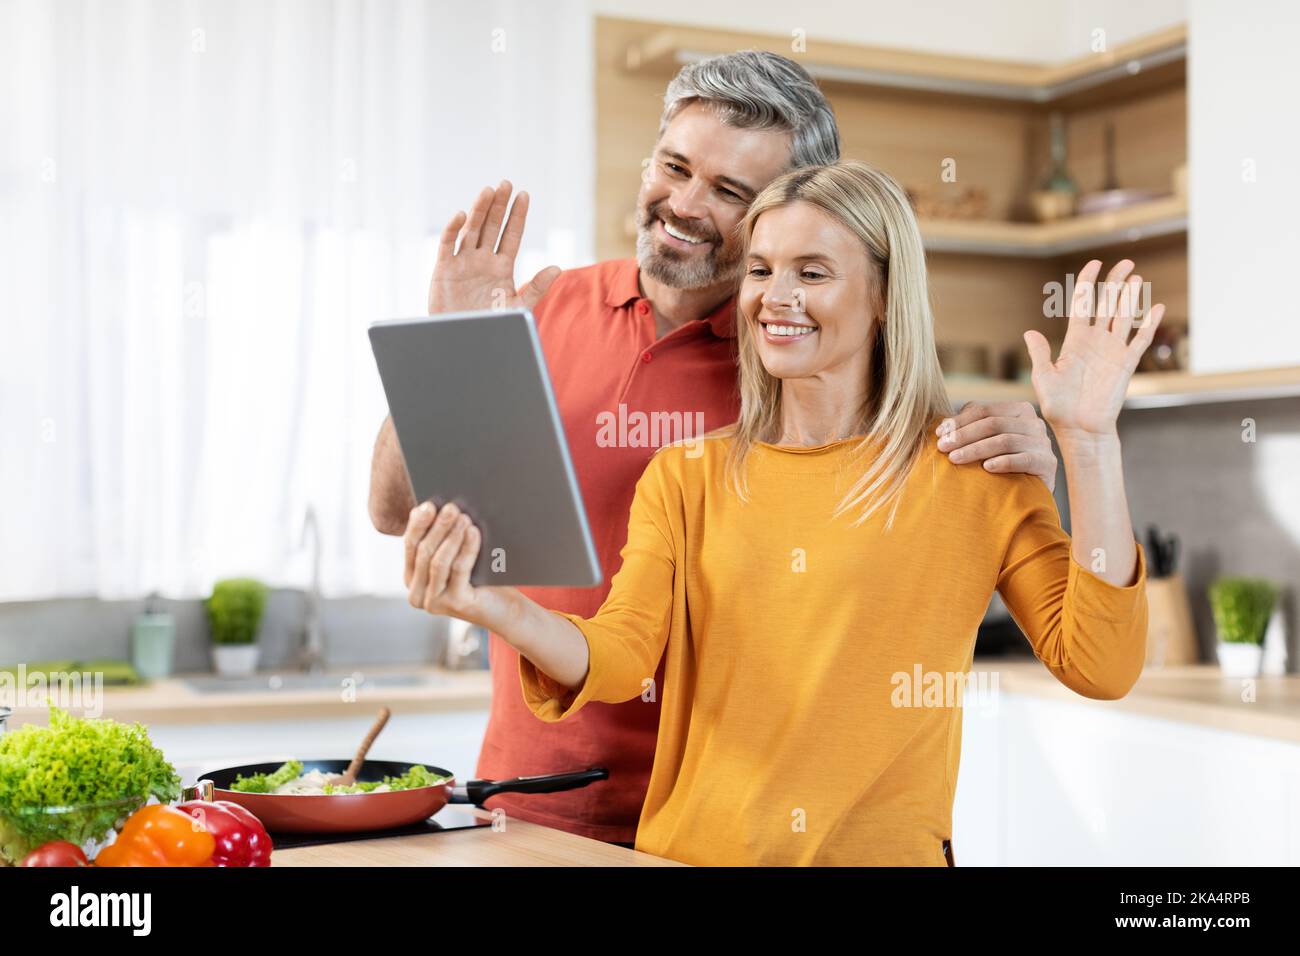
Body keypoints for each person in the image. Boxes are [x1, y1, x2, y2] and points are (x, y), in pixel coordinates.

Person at [369, 51, 1059, 847]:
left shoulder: (796, 349)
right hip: (528, 793)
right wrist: (451, 352)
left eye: (731, 192)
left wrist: (1029, 441)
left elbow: (914, 463)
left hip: (732, 823)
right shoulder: (547, 310)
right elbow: (393, 510)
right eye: (676, 166)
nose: (686, 204)